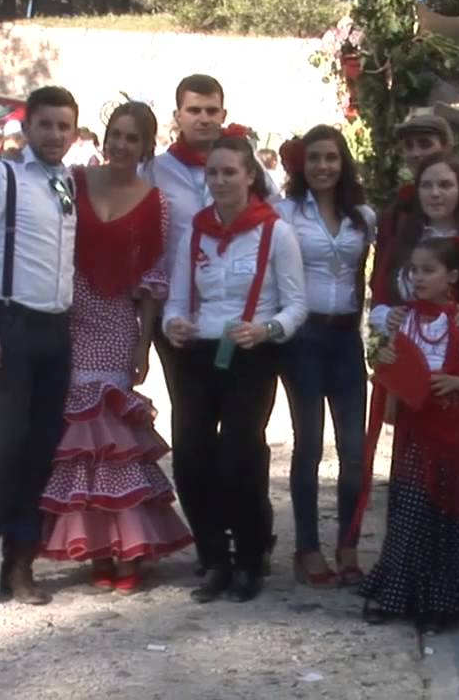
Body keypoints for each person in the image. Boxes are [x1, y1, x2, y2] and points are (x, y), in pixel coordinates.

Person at [38, 102, 192, 594]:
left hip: (115, 324)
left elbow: (151, 282)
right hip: (68, 318)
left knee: (112, 441)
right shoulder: (75, 182)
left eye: (132, 138)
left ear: (147, 146)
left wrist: (143, 346)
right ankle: (97, 546)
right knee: (77, 442)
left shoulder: (157, 204)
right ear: (104, 138)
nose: (122, 145)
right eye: (115, 135)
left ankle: (130, 549)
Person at [162, 132, 306, 604]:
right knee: (191, 456)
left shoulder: (274, 231)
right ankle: (214, 558)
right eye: (213, 173)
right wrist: (174, 323)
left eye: (230, 172)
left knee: (240, 455)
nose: (220, 181)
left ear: (249, 176)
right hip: (198, 354)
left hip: (250, 353)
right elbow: (178, 299)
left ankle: (250, 556)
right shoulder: (195, 231)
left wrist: (268, 330)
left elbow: (297, 305)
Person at [0, 86, 81, 610]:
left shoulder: (67, 183)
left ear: (73, 132)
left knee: (42, 447)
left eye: (63, 127)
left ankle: (20, 560)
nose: (54, 135)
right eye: (46, 125)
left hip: (55, 328)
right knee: (4, 444)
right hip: (5, 322)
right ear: (27, 128)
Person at [149, 74, 282, 579]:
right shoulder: (155, 172)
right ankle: (212, 553)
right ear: (177, 115)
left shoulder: (247, 170)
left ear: (223, 115)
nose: (203, 118)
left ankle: (254, 540)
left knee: (245, 442)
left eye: (212, 110)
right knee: (192, 441)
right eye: (194, 110)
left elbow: (273, 223)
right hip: (182, 324)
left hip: (246, 327)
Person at [361, 236, 459, 631]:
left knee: (447, 514)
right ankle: (399, 594)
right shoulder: (400, 320)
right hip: (413, 431)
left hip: (451, 431)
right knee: (408, 510)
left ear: (451, 276)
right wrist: (382, 359)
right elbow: (382, 368)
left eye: (428, 270)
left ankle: (443, 602)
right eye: (413, 270)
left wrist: (455, 381)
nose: (418, 277)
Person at [275, 125, 375, 588]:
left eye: (331, 158)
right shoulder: (287, 213)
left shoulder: (363, 218)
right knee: (310, 446)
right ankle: (308, 548)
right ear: (303, 164)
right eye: (314, 158)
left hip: (345, 337)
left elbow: (363, 272)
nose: (322, 166)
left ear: (343, 162)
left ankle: (349, 543)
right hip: (304, 338)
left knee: (355, 451)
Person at [370, 153, 459, 436]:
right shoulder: (403, 243)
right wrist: (390, 317)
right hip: (418, 378)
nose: (435, 193)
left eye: (446, 185)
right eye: (427, 185)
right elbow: (379, 303)